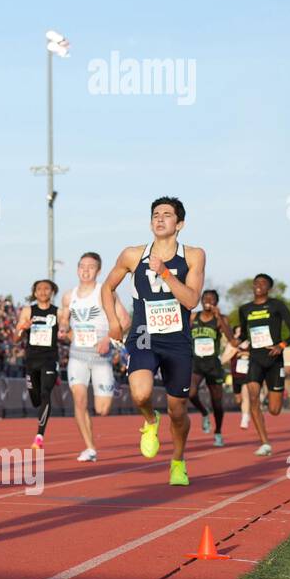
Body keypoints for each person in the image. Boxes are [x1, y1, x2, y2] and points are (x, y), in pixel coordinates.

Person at [103, 197, 206, 486]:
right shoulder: (133, 255)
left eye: (167, 215)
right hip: (144, 335)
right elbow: (108, 287)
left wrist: (163, 272)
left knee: (177, 410)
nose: (160, 219)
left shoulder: (194, 255)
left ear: (180, 224)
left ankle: (178, 461)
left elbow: (191, 300)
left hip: (178, 340)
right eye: (156, 215)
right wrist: (113, 320)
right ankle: (149, 421)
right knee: (140, 394)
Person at [58, 253, 129, 462]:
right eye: (82, 266)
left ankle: (112, 385)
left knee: (102, 409)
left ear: (98, 271)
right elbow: (64, 319)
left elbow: (125, 321)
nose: (85, 270)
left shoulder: (105, 292)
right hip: (77, 355)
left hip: (101, 356)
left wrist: (107, 338)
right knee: (79, 402)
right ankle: (90, 448)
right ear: (77, 268)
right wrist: (63, 328)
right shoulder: (68, 296)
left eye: (90, 267)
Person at [233, 273, 290, 456]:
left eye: (262, 283)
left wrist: (282, 345)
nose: (258, 285)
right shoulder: (245, 309)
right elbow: (245, 334)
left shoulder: (276, 305)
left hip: (274, 359)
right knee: (253, 398)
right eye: (256, 282)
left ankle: (266, 408)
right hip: (255, 358)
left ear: (269, 287)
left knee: (275, 410)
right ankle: (264, 443)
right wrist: (238, 342)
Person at [187, 289, 237, 447]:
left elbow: (231, 339)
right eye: (206, 298)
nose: (208, 300)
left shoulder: (221, 319)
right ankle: (203, 412)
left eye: (212, 298)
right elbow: (184, 334)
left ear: (216, 302)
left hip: (213, 364)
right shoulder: (193, 316)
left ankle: (218, 432)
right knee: (190, 392)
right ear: (201, 301)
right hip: (196, 362)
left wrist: (218, 317)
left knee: (217, 401)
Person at [16, 280, 60, 449]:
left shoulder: (58, 312)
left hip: (49, 358)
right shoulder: (28, 311)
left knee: (45, 394)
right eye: (39, 289)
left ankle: (39, 435)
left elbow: (66, 331)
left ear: (52, 292)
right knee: (35, 398)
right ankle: (45, 384)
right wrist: (23, 328)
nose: (43, 292)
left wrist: (65, 333)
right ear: (34, 293)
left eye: (46, 289)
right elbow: (16, 338)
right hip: (32, 359)